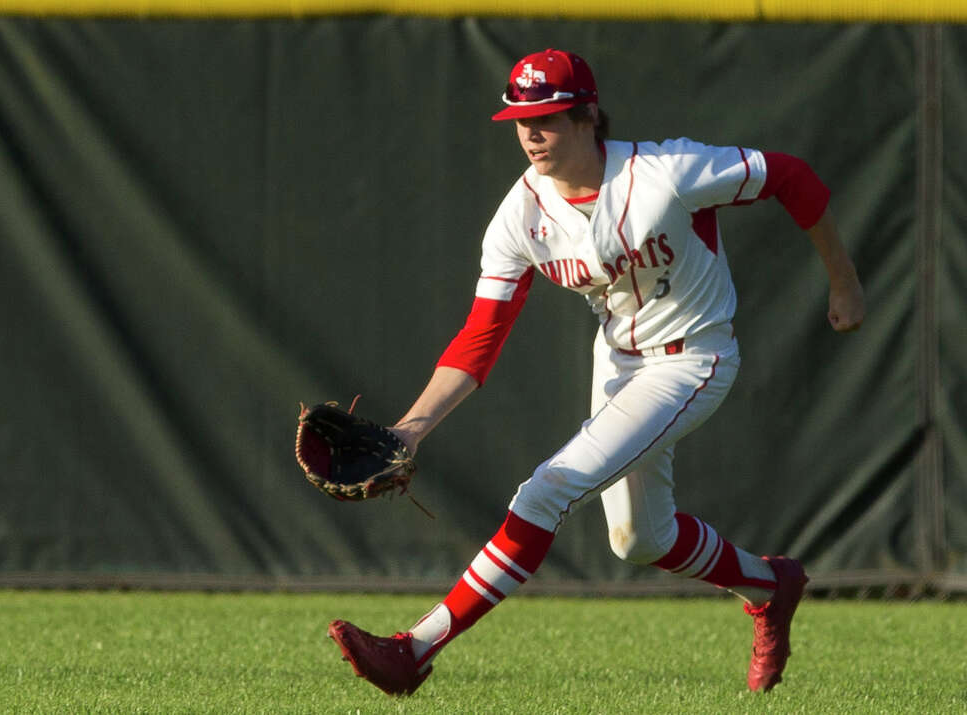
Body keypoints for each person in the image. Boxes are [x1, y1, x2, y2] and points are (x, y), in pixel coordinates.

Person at [326, 48, 865, 696]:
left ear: (587, 118)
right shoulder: (521, 216)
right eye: (520, 120)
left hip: (695, 356)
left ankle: (412, 649)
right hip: (619, 358)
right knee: (639, 536)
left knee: (546, 490)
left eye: (547, 118)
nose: (531, 134)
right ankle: (769, 584)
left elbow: (792, 177)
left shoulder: (665, 172)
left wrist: (845, 283)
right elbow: (480, 338)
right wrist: (410, 429)